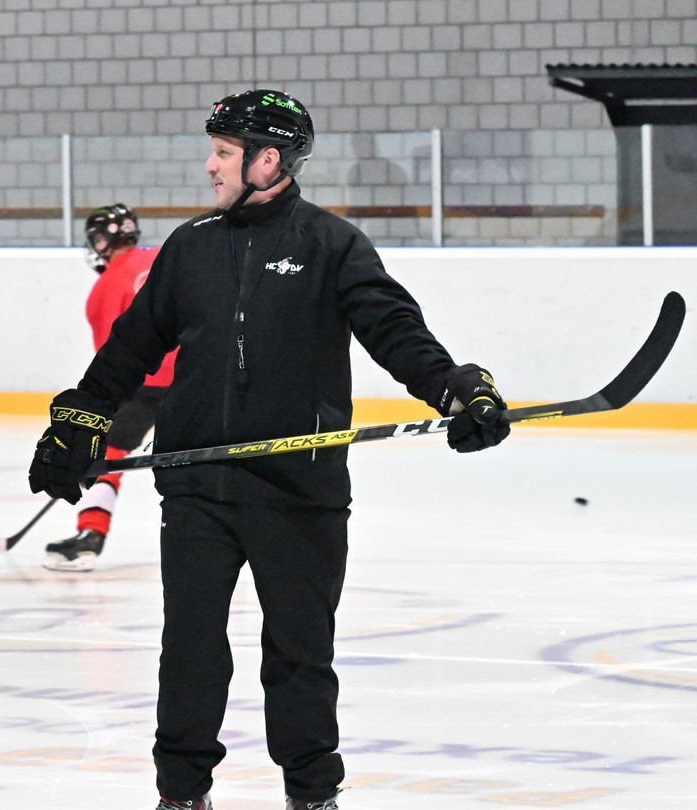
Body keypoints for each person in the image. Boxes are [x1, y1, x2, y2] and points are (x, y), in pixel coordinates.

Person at [27, 89, 511, 810]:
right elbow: (130, 350)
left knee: (299, 658)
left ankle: (312, 796)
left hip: (298, 490)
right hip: (197, 487)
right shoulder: (190, 248)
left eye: (222, 152)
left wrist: (452, 388)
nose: (208, 165)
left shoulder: (331, 244)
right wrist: (79, 419)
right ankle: (181, 795)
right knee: (188, 652)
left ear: (268, 161)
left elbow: (393, 332)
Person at [42, 203, 176, 572]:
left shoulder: (105, 287)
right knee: (202, 459)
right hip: (196, 377)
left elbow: (112, 361)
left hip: (145, 383)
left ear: (101, 240)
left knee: (109, 453)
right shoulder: (167, 257)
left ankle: (91, 536)